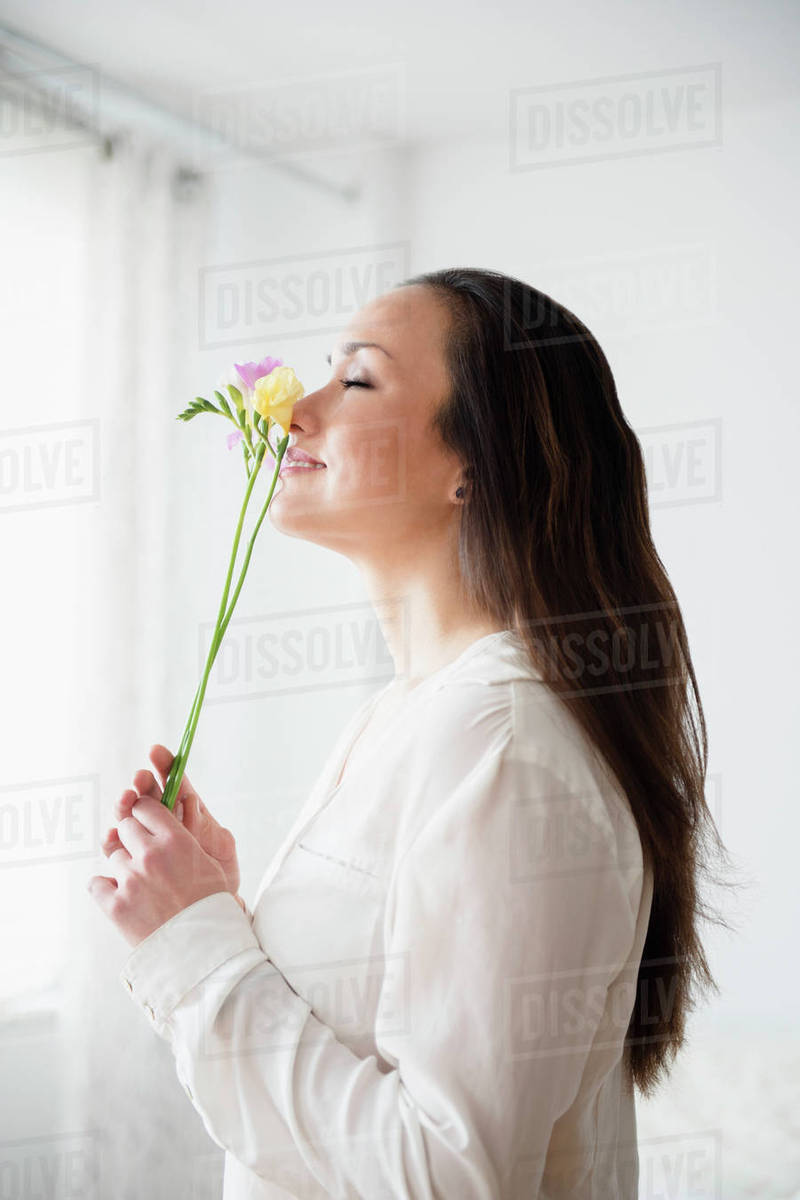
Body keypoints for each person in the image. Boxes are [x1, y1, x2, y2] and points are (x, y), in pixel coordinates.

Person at [88, 268, 723, 1198]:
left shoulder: (505, 743)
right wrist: (216, 909)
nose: (291, 414)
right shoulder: (407, 717)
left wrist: (199, 950)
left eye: (357, 381)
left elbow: (451, 1175)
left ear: (476, 465)